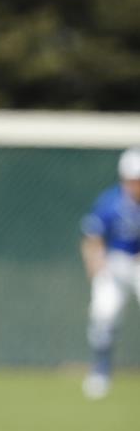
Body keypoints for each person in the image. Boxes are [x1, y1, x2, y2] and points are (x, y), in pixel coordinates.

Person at [79, 147, 140, 399]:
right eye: (133, 180)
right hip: (115, 262)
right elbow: (92, 237)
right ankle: (101, 371)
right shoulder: (110, 202)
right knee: (103, 313)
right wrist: (95, 265)